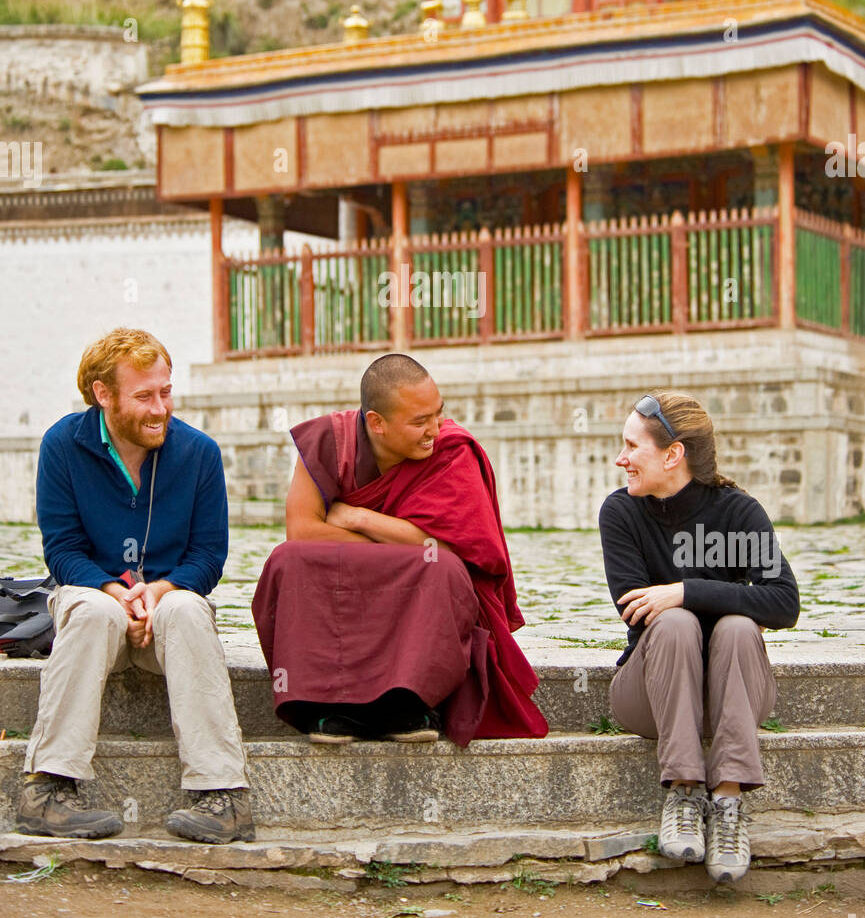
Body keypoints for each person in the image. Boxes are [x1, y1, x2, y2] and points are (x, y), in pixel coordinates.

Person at [16, 328, 254, 844]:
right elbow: (61, 551)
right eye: (144, 396)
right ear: (103, 394)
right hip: (95, 603)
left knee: (189, 611)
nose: (160, 408)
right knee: (91, 612)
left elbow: (209, 555)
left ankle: (223, 795)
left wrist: (161, 590)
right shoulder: (62, 445)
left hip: (167, 611)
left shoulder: (200, 453)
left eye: (166, 391)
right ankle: (47, 789)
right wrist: (112, 591)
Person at [252, 354, 548, 747]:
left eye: (437, 414)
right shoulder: (329, 442)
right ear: (377, 422)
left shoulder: (453, 449)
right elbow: (302, 532)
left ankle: (409, 700)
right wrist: (395, 552)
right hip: (382, 575)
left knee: (441, 567)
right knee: (287, 560)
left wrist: (360, 519)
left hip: (410, 578)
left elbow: (456, 549)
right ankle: (326, 703)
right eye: (419, 422)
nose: (434, 430)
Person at [598, 390, 799, 883]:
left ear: (672, 454)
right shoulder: (621, 513)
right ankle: (685, 792)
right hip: (650, 695)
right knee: (671, 621)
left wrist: (686, 590)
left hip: (734, 692)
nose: (620, 459)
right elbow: (636, 610)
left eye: (631, 446)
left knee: (733, 626)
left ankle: (728, 804)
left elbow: (784, 602)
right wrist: (681, 603)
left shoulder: (739, 511)